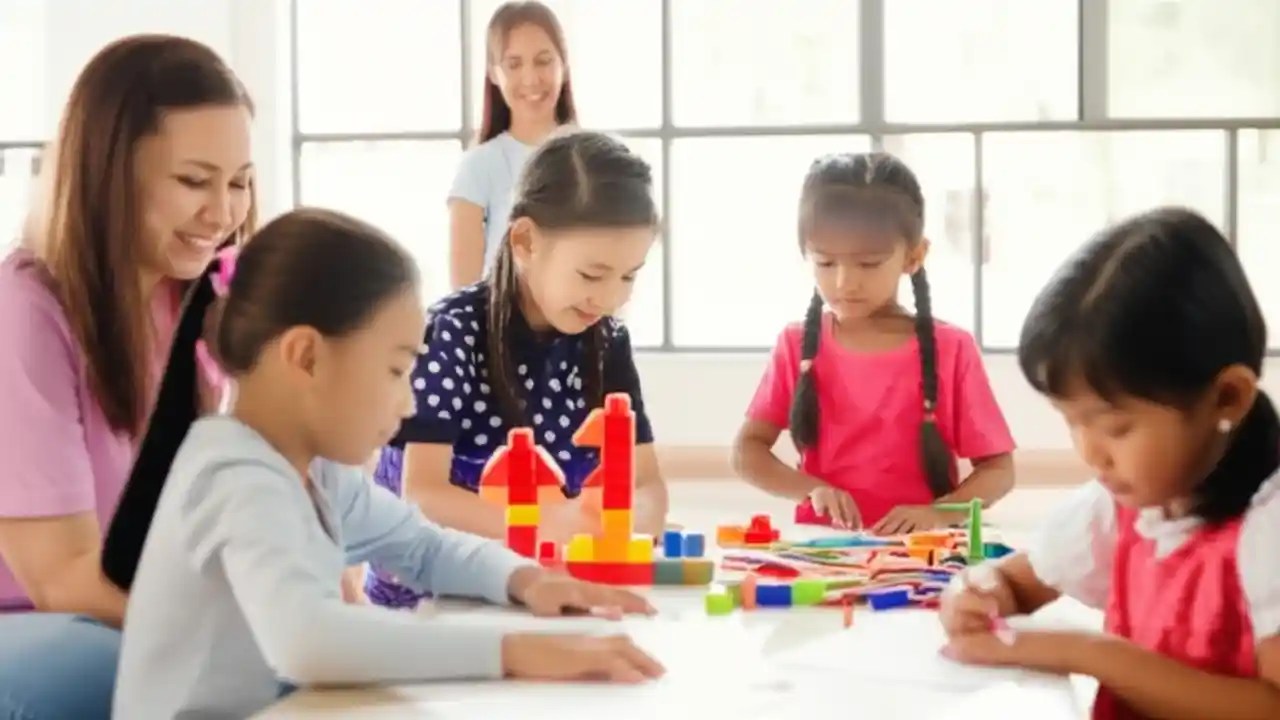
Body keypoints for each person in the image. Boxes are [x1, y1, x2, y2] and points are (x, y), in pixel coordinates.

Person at [106, 208, 665, 719]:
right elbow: (309, 640)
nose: (409, 404)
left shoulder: (315, 473)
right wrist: (515, 650)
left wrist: (528, 580)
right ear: (307, 357)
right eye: (397, 371)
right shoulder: (233, 476)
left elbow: (423, 547)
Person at [938, 207, 1280, 720]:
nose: (1091, 451)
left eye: (1115, 426)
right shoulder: (1126, 507)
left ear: (1227, 398)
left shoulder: (1266, 527)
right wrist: (977, 591)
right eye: (1072, 422)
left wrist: (1089, 654)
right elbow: (1015, 583)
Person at [0, 33, 253, 718]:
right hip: (31, 620)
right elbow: (61, 581)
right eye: (194, 181)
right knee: (104, 675)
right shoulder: (25, 312)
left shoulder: (194, 302)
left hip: (131, 601)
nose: (223, 213)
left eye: (238, 182)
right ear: (111, 174)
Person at [366, 130, 668, 609]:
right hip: (431, 599)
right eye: (592, 275)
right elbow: (422, 494)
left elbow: (646, 482)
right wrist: (545, 523)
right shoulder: (454, 331)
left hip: (547, 591)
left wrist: (629, 527)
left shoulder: (607, 340)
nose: (611, 297)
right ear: (525, 241)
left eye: (629, 275)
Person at [731, 152, 1016, 535]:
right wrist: (810, 489)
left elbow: (999, 470)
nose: (845, 283)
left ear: (914, 256)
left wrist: (941, 512)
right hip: (822, 547)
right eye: (826, 263)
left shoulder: (951, 348)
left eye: (868, 264)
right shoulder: (796, 344)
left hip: (921, 550)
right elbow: (747, 451)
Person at [449, 0, 578, 288]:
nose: (531, 79)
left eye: (543, 61)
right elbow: (462, 294)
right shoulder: (479, 166)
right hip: (501, 332)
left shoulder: (594, 158)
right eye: (514, 64)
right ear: (494, 73)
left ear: (564, 65)